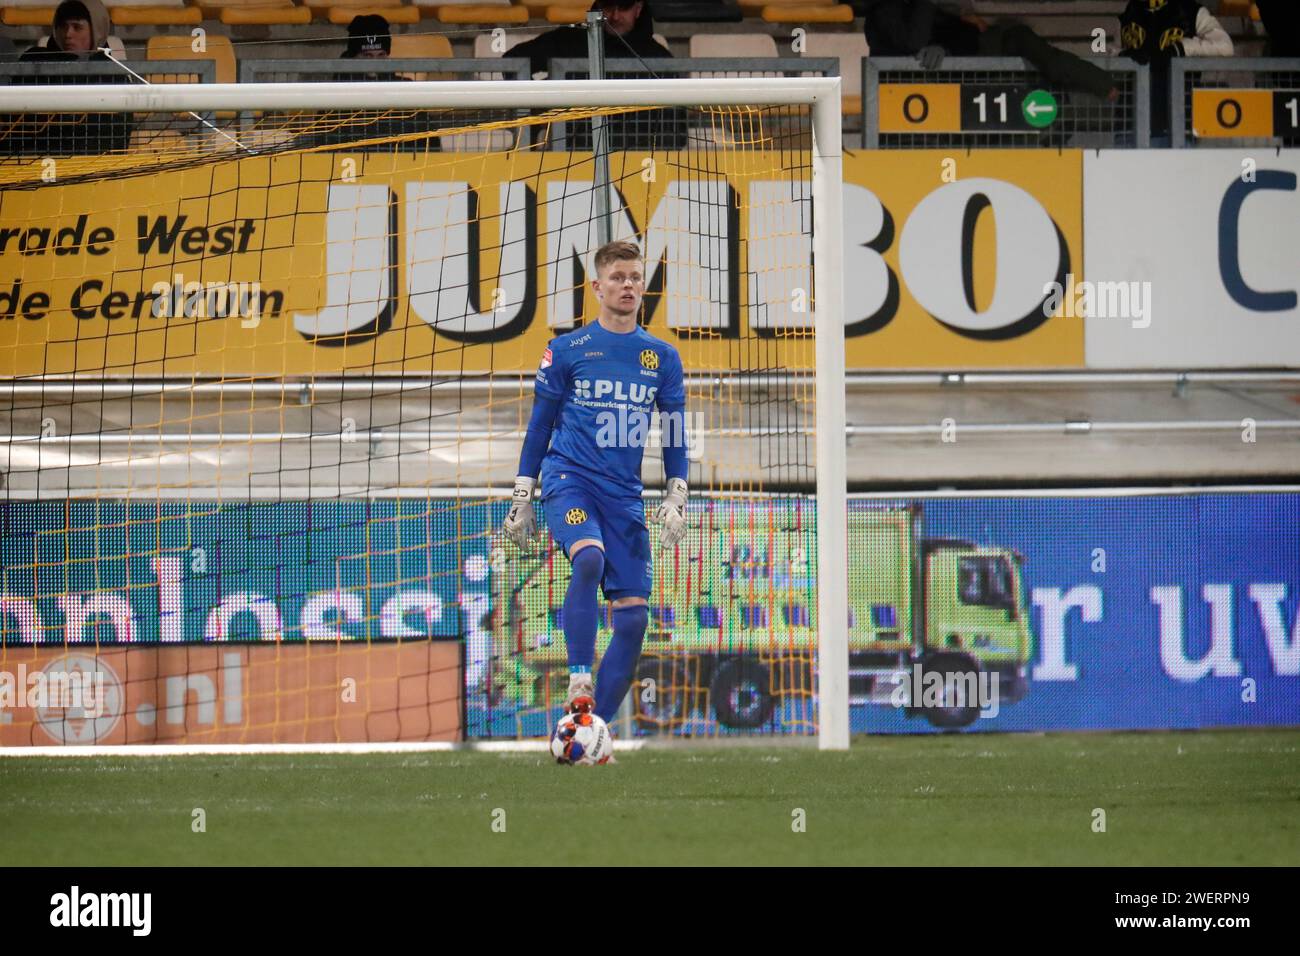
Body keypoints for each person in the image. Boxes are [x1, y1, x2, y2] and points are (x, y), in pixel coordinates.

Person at [502, 239, 689, 723]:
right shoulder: (566, 350)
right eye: (618, 278)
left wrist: (677, 493)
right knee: (588, 557)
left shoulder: (662, 357)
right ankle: (578, 675)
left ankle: (593, 730)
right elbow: (540, 425)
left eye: (634, 277)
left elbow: (673, 431)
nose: (628, 285)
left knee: (633, 619)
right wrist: (524, 494)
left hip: (623, 495)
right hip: (569, 479)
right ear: (597, 287)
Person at [862, 0, 1119, 101]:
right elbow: (914, 42)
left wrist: (947, 47)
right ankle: (1104, 84)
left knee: (1041, 57)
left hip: (993, 49)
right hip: (908, 94)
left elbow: (970, 30)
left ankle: (1104, 84)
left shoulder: (1002, 35)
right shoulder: (883, 11)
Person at [5, 0, 131, 155]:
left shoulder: (114, 76)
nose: (68, 34)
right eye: (63, 26)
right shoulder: (33, 62)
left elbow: (116, 139)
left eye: (77, 27)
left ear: (96, 30)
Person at [1120, 0, 1232, 141]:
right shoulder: (1131, 10)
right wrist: (1123, 56)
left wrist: (1182, 48)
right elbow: (1110, 52)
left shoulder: (1191, 10)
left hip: (1178, 125)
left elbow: (1225, 46)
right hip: (1131, 124)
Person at [511, 0, 672, 78]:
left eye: (624, 7)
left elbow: (675, 130)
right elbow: (513, 62)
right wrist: (539, 103)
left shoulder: (659, 57)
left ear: (638, 9)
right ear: (599, 5)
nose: (615, 16)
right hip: (570, 143)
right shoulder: (568, 40)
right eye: (609, 6)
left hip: (642, 144)